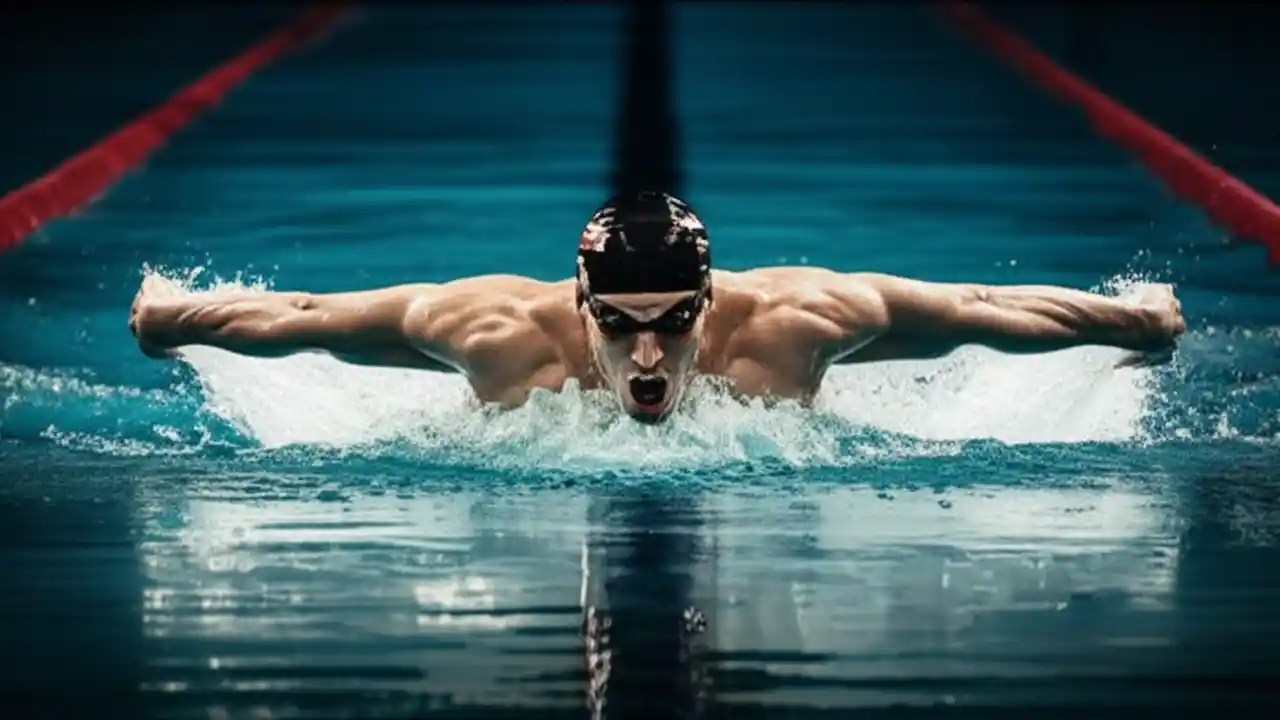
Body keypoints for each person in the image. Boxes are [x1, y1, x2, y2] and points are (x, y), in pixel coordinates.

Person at [129, 190, 1185, 424]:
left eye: (674, 321)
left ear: (710, 299)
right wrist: (171, 321)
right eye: (621, 322)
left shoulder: (788, 326)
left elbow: (974, 305)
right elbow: (314, 314)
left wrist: (1134, 322)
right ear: (577, 304)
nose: (647, 351)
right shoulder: (495, 339)